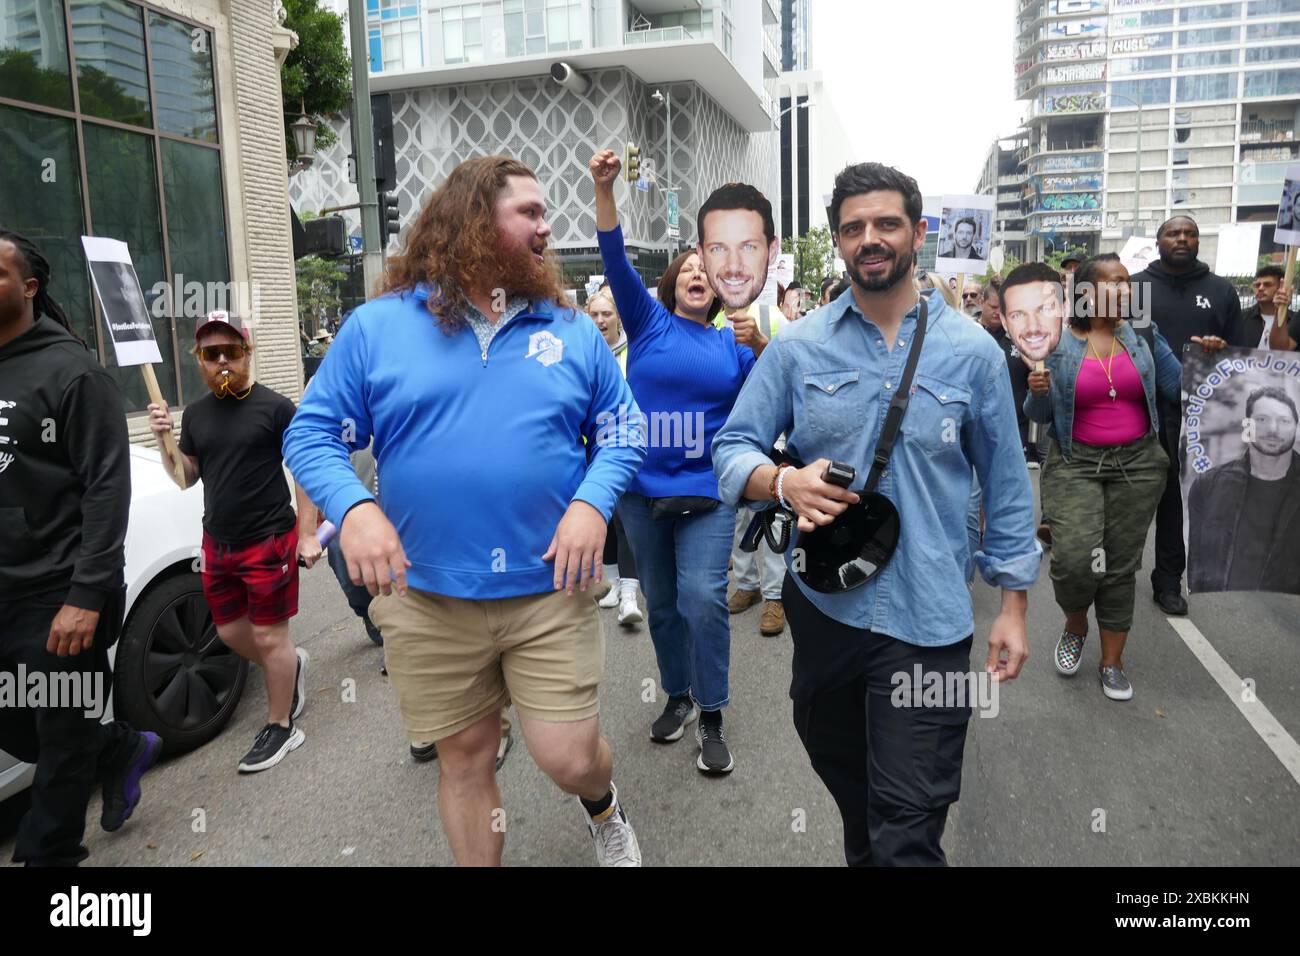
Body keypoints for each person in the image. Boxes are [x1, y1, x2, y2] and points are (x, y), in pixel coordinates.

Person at [285, 155, 646, 866]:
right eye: (530, 213)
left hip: (550, 586)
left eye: (545, 213)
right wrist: (353, 508)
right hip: (426, 598)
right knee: (466, 758)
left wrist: (591, 504)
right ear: (476, 221)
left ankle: (602, 806)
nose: (547, 227)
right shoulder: (376, 328)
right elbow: (311, 430)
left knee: (569, 758)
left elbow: (625, 428)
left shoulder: (572, 333)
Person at [713, 162, 1038, 866]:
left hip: (931, 621)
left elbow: (1008, 485)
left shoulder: (975, 355)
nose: (871, 238)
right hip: (826, 614)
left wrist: (1013, 603)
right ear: (837, 242)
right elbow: (730, 448)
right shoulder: (799, 348)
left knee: (909, 828)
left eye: (887, 223)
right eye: (854, 227)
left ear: (918, 233)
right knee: (857, 800)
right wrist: (781, 480)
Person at [0, 229, 162, 866]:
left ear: (29, 287)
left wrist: (87, 595)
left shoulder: (73, 373)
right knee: (22, 726)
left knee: (61, 743)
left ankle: (49, 856)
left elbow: (106, 491)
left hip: (58, 593)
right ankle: (119, 745)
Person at [590, 148, 755, 773]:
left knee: (702, 600)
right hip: (640, 491)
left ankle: (713, 711)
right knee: (660, 603)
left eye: (706, 268)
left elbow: (767, 405)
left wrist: (760, 342)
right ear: (673, 283)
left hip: (707, 492)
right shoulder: (647, 322)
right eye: (688, 266)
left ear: (719, 287)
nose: (696, 272)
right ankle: (679, 695)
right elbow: (612, 251)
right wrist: (605, 188)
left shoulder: (731, 345)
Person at [147, 311, 316, 774]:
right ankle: (289, 666)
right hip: (217, 542)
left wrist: (305, 533)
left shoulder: (277, 408)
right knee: (228, 632)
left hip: (269, 540)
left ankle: (281, 726)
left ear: (247, 354)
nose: (222, 361)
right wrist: (164, 440)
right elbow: (186, 478)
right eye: (211, 353)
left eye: (231, 352)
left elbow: (305, 470)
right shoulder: (198, 415)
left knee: (267, 633)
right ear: (199, 360)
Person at [1022, 255, 1180, 701]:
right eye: (1114, 283)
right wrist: (1037, 393)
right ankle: (1075, 623)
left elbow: (1179, 385)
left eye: (1127, 283)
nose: (1126, 291)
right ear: (1086, 291)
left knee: (1118, 564)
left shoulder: (1144, 334)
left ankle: (1113, 662)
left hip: (1138, 466)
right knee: (1075, 559)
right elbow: (1039, 416)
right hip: (1077, 464)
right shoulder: (1056, 342)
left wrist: (1212, 358)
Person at [1129, 215, 1240, 615]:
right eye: (1173, 233)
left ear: (1198, 240)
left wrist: (1219, 347)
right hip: (1140, 407)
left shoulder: (1221, 290)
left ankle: (1168, 580)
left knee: (1178, 497)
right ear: (1158, 241)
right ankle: (1113, 574)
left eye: (1189, 233)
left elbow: (1240, 354)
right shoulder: (1136, 287)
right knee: (1133, 494)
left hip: (1197, 411)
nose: (1181, 239)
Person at [1187, 386, 1300, 594]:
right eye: (1262, 419)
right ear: (1247, 426)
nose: (1273, 429)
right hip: (1226, 610)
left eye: (1284, 421)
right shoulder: (1208, 485)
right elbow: (1196, 560)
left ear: (1296, 427)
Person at [585, 286, 644, 626]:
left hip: (622, 449)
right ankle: (610, 585)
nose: (600, 320)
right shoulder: (583, 353)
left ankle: (629, 596)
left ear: (618, 318)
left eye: (606, 314)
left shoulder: (632, 352)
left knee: (624, 521)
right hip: (589, 449)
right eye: (594, 314)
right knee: (603, 521)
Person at [1238, 265, 1298, 351]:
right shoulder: (1241, 317)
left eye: (1267, 284)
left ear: (1281, 287)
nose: (1261, 288)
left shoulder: (1294, 321)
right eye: (1257, 285)